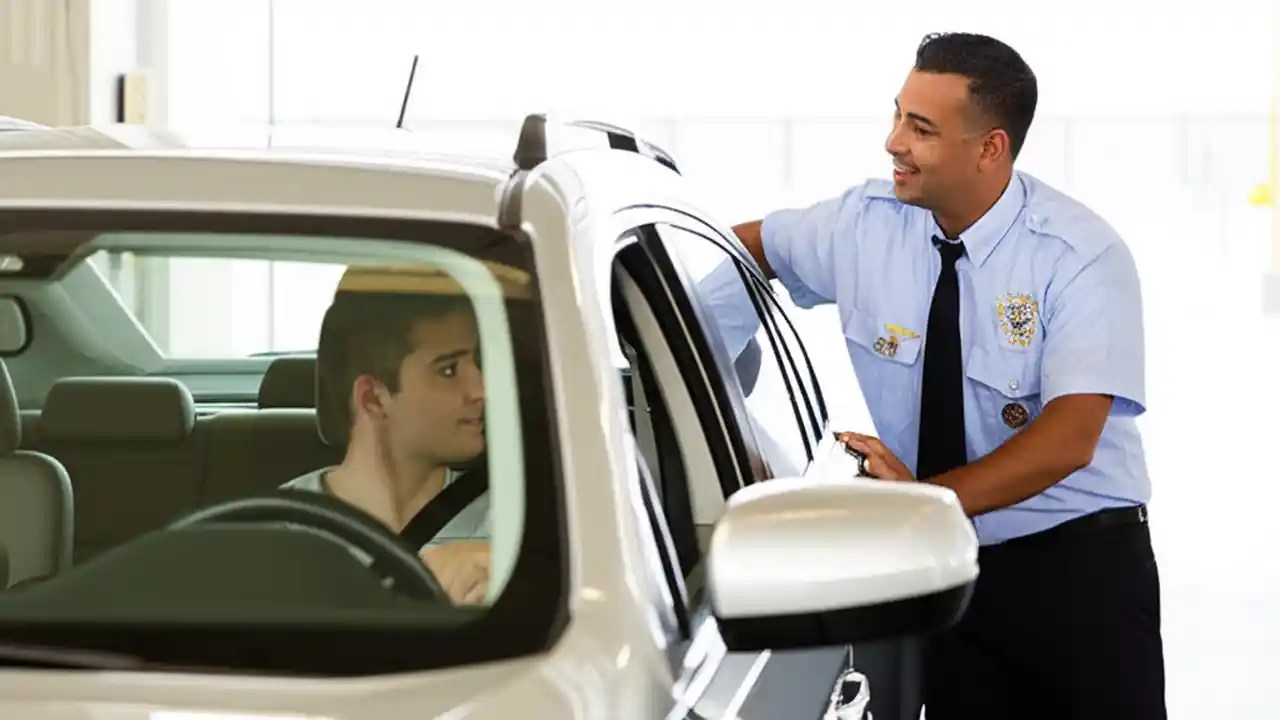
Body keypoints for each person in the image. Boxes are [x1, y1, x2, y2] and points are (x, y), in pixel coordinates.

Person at [727, 32, 1164, 720]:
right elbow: (741, 251)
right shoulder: (863, 227)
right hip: (941, 572)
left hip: (1077, 579)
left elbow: (1068, 439)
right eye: (898, 115)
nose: (892, 141)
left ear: (989, 148)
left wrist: (922, 501)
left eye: (920, 127)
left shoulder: (1078, 256)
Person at [282, 269, 491, 605]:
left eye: (477, 364)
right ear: (374, 399)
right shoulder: (276, 531)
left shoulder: (513, 527)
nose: (481, 389)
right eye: (448, 370)